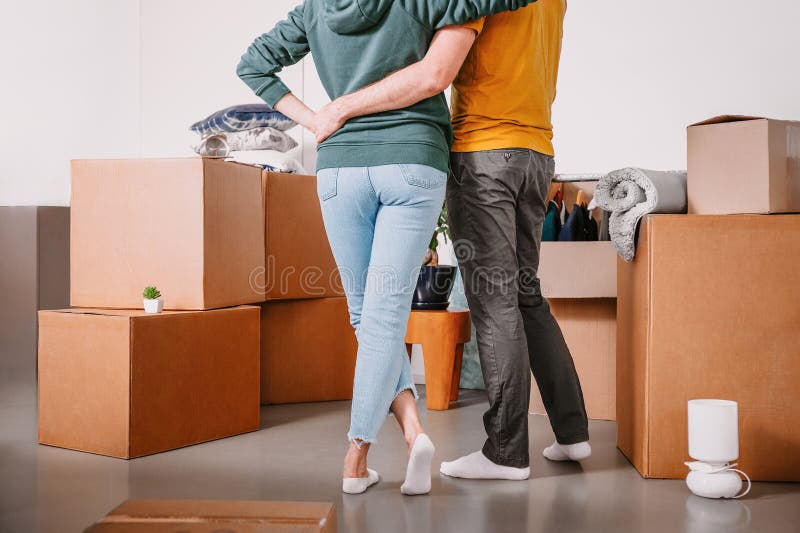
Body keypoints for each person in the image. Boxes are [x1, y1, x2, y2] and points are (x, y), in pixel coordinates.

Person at [237, 0, 537, 495]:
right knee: (383, 317)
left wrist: (317, 120)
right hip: (412, 160)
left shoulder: (314, 11)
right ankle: (360, 453)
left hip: (340, 169)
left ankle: (403, 438)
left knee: (367, 316)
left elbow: (253, 64)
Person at [312, 0, 591, 482]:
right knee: (526, 296)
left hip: (485, 152)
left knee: (495, 301)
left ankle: (506, 453)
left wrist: (342, 106)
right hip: (536, 154)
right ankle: (571, 433)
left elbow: (433, 73)